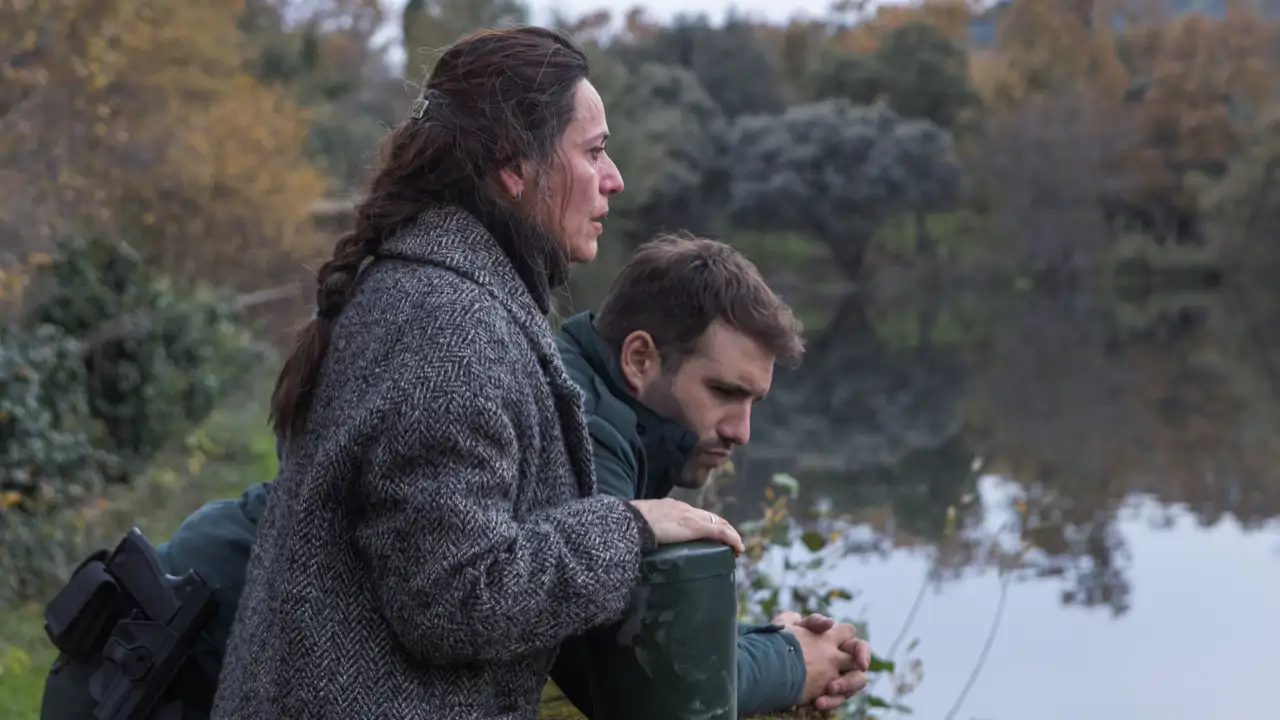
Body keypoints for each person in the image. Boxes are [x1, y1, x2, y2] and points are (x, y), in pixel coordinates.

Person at [207, 26, 742, 719]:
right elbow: (453, 597)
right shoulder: (449, 328)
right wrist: (630, 525)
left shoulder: (442, 291)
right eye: (595, 151)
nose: (614, 179)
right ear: (513, 166)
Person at [548, 232, 872, 717]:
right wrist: (795, 663)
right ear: (640, 359)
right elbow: (644, 682)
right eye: (723, 391)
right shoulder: (583, 428)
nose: (741, 432)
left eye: (753, 402)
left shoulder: (611, 412)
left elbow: (633, 635)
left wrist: (779, 642)